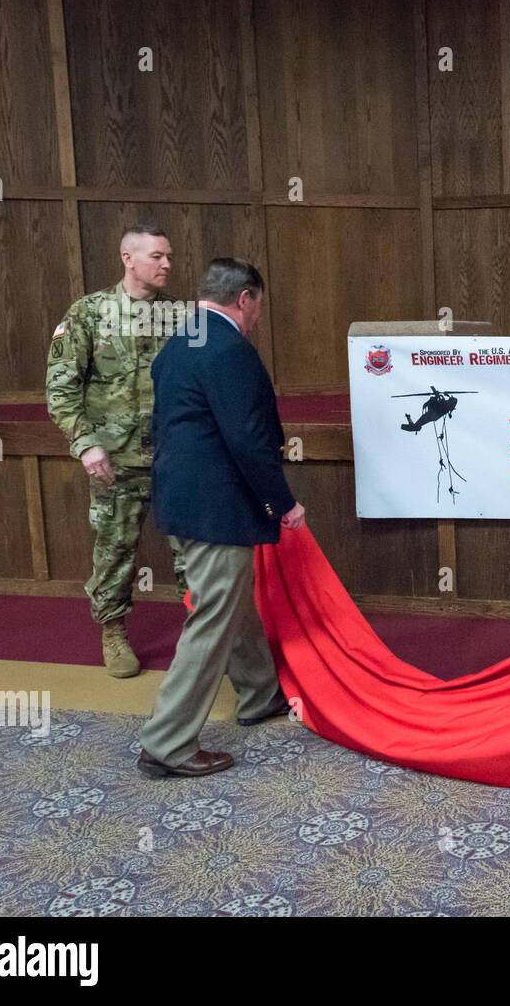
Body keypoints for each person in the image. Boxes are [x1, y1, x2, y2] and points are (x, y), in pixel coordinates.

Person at [137, 258, 305, 778]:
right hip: (217, 506)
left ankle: (257, 694)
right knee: (212, 615)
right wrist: (283, 503)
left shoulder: (180, 341)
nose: (256, 316)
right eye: (258, 306)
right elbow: (249, 441)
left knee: (229, 601)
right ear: (246, 299)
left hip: (182, 500)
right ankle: (168, 742)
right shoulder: (230, 349)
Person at [45, 224, 190, 678]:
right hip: (113, 460)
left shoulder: (182, 317)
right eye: (156, 256)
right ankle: (113, 632)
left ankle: (202, 635)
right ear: (127, 258)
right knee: (114, 550)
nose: (167, 264)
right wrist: (85, 444)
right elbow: (60, 386)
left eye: (168, 256)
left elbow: (202, 383)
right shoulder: (88, 313)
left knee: (192, 552)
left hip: (175, 458)